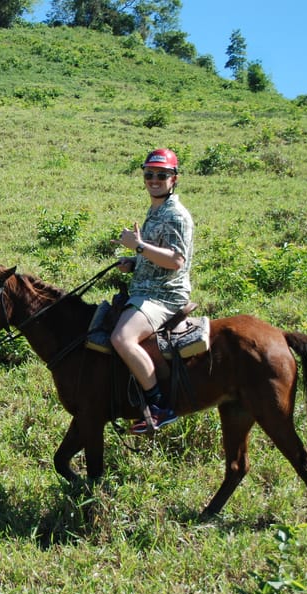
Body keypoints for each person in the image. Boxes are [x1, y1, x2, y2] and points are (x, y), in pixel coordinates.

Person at [110, 148, 194, 435]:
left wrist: (139, 246)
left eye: (162, 175)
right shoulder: (156, 209)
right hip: (145, 289)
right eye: (149, 174)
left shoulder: (176, 215)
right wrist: (134, 263)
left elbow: (175, 261)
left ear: (174, 179)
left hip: (164, 296)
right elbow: (157, 256)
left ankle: (159, 405)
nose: (154, 180)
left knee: (121, 337)